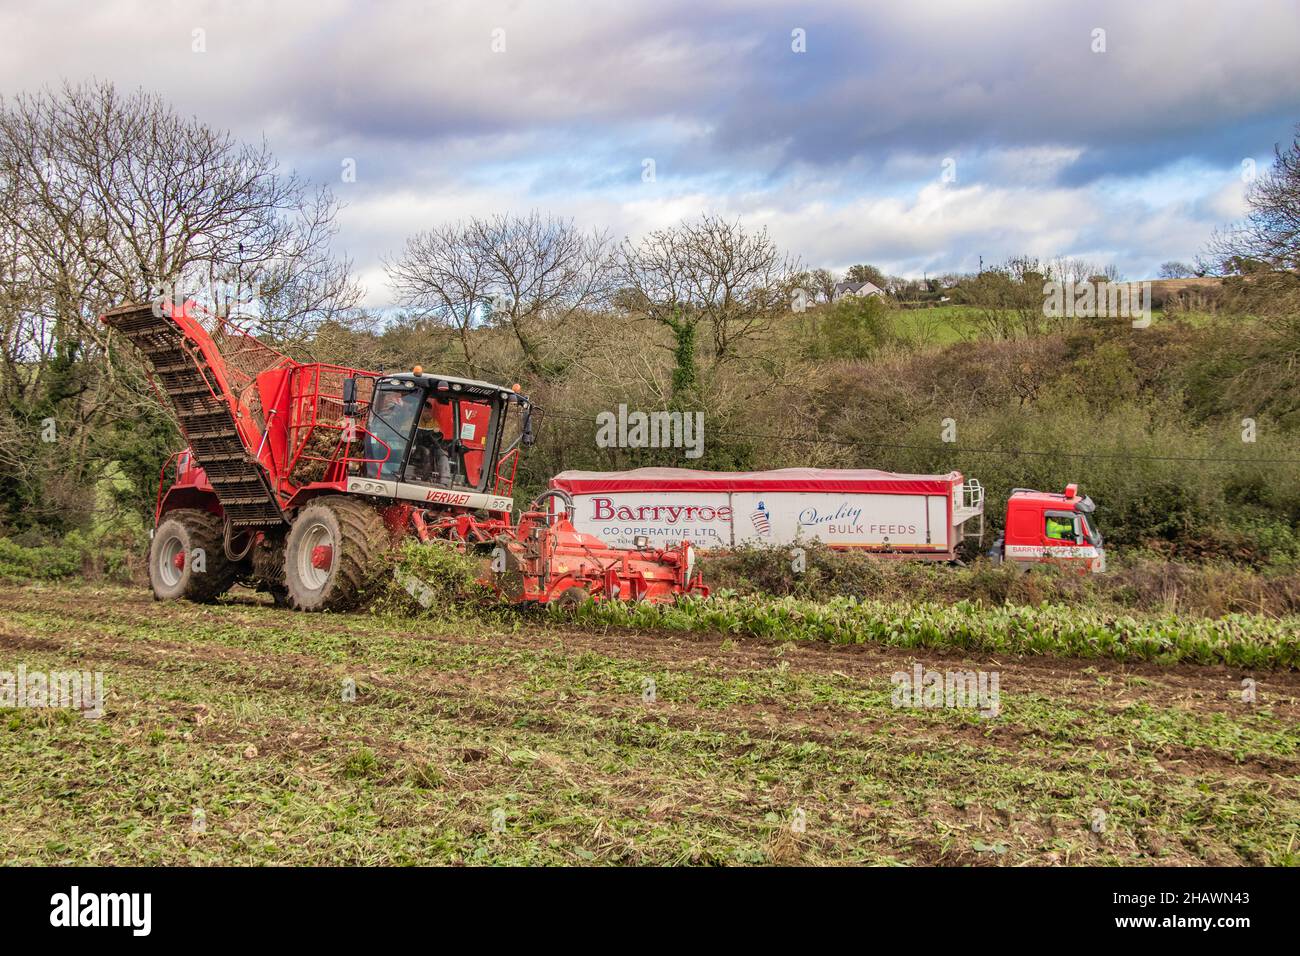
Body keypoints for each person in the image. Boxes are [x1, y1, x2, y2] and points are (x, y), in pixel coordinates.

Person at [413, 399, 454, 485]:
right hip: (416, 446)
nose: (427, 413)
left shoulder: (434, 422)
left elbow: (438, 436)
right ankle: (424, 477)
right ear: (420, 411)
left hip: (432, 445)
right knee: (426, 452)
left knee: (443, 453)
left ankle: (444, 479)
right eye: (425, 411)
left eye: (428, 411)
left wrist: (437, 435)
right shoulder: (413, 421)